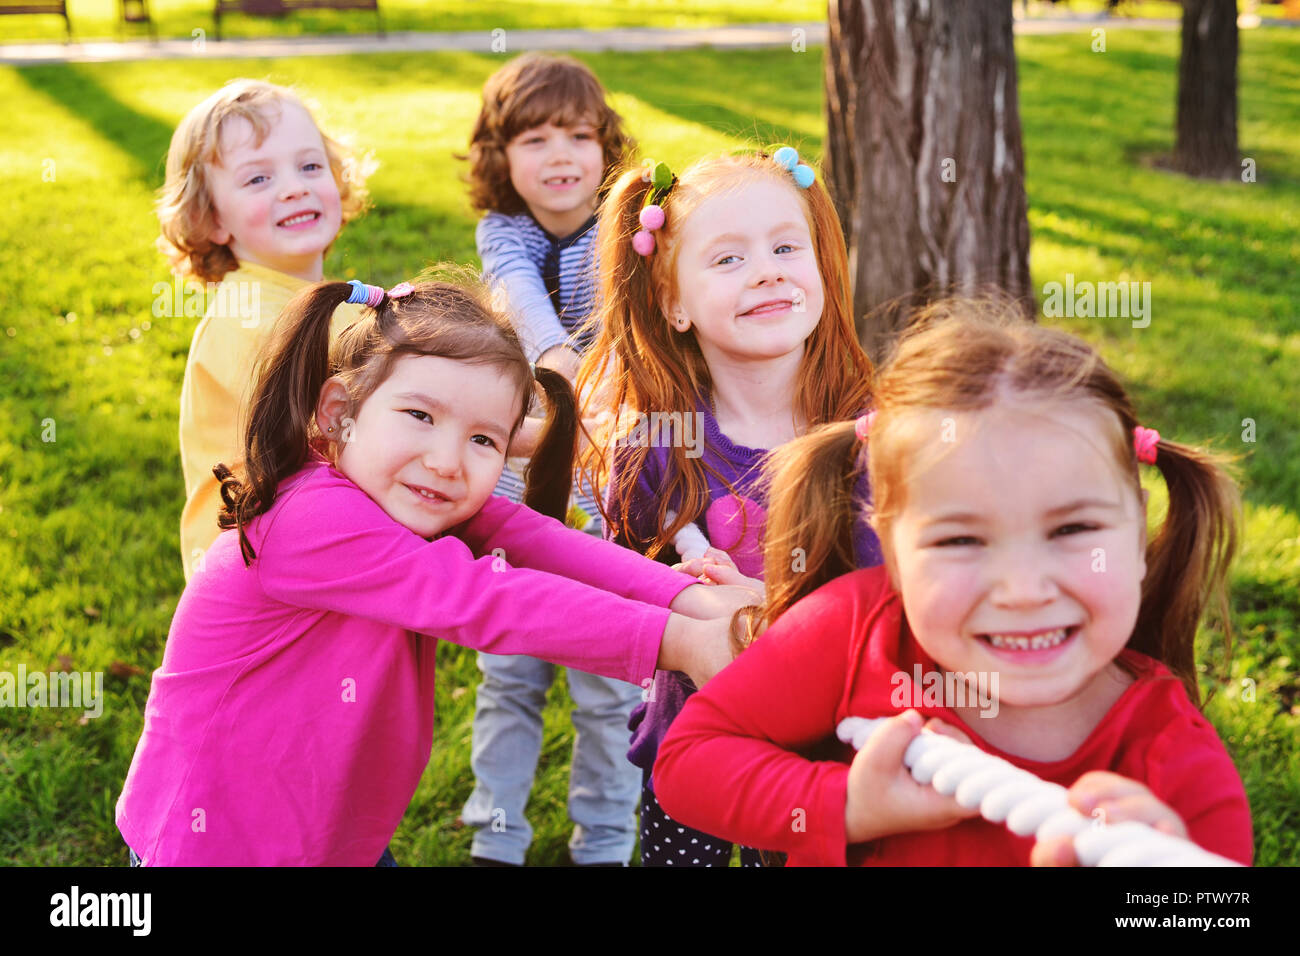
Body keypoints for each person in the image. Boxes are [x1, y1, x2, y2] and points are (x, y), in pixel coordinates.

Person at [115, 276, 748, 866]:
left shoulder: (397, 493)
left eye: (483, 440)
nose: (448, 461)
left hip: (328, 833)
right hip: (222, 837)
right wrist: (685, 644)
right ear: (339, 412)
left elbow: (539, 541)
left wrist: (692, 600)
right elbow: (487, 600)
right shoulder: (310, 518)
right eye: (420, 416)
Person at [652, 301, 1254, 866]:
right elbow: (688, 762)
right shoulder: (857, 630)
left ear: (1135, 528)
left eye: (1072, 528)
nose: (1022, 590)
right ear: (890, 542)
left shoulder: (1180, 784)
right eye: (962, 541)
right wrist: (850, 806)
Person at [577, 147, 881, 865]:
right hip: (695, 743)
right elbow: (631, 593)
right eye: (728, 259)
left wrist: (770, 606)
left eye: (785, 247)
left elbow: (893, 600)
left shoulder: (872, 440)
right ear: (673, 304)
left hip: (827, 749)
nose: (768, 270)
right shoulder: (657, 447)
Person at [458, 52, 644, 866]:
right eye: (535, 139)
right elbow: (514, 287)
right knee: (510, 678)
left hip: (608, 493)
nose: (561, 156)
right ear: (501, 159)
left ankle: (603, 844)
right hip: (517, 491)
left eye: (579, 135)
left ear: (607, 147)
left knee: (610, 692)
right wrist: (556, 355)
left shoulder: (628, 233)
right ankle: (496, 837)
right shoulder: (502, 231)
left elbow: (626, 305)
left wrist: (584, 363)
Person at [156, 78, 375, 579]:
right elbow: (335, 440)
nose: (294, 186)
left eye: (310, 166)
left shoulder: (327, 303)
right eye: (258, 179)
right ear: (212, 219)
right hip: (259, 574)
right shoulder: (250, 320)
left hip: (318, 547)